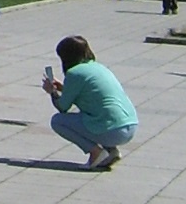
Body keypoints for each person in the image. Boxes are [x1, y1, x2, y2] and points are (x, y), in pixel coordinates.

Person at [44, 35, 137, 170]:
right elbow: (91, 95)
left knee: (58, 121)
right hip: (130, 125)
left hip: (112, 131)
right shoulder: (98, 67)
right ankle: (111, 151)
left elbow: (62, 107)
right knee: (99, 114)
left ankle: (96, 152)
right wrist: (64, 88)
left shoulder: (74, 73)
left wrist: (52, 92)